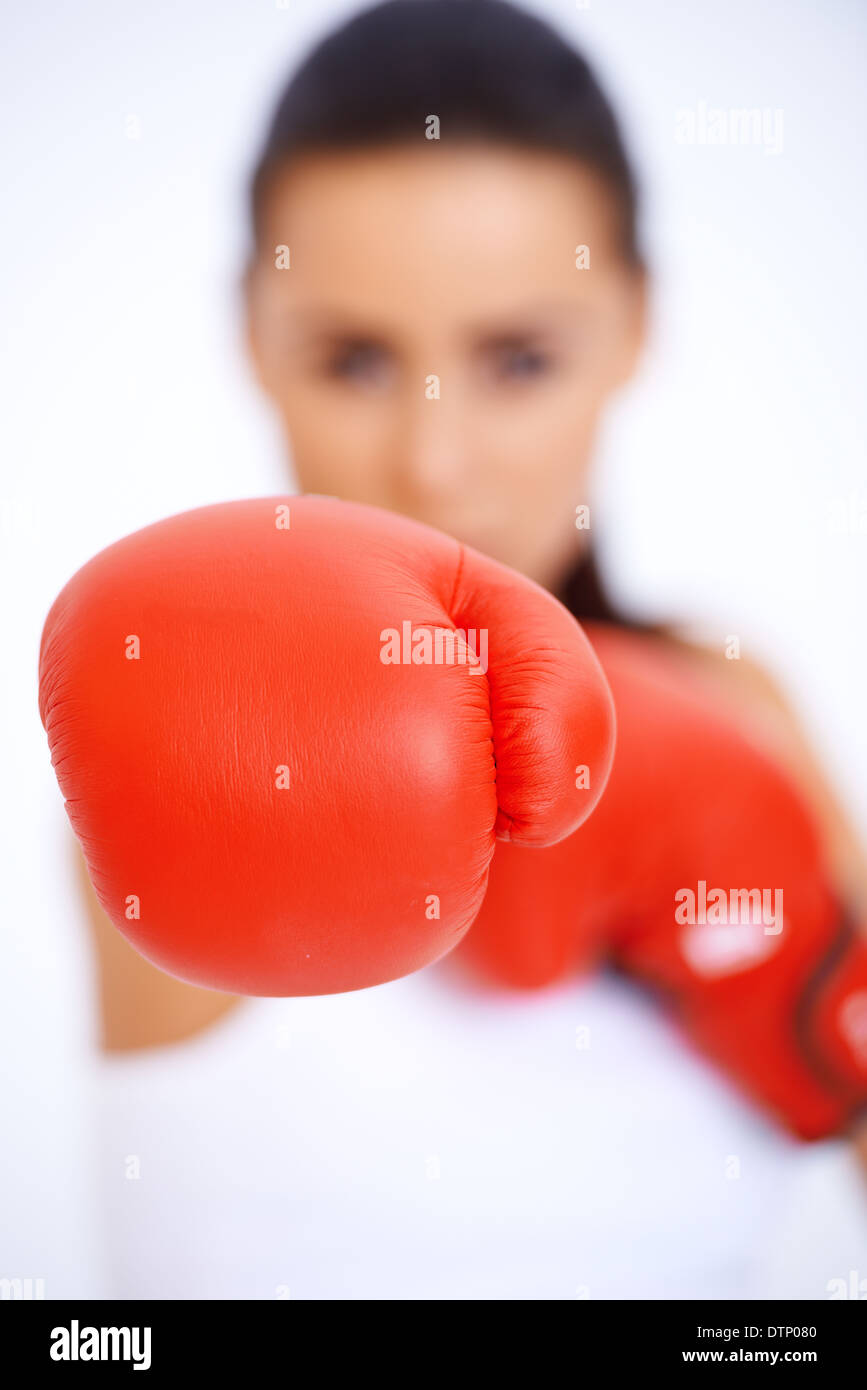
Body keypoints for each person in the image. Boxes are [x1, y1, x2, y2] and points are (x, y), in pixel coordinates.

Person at [79, 0, 867, 1296]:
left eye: (518, 357)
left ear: (635, 328)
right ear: (250, 340)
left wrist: (811, 989)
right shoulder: (168, 725)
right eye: (353, 359)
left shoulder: (741, 703)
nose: (436, 467)